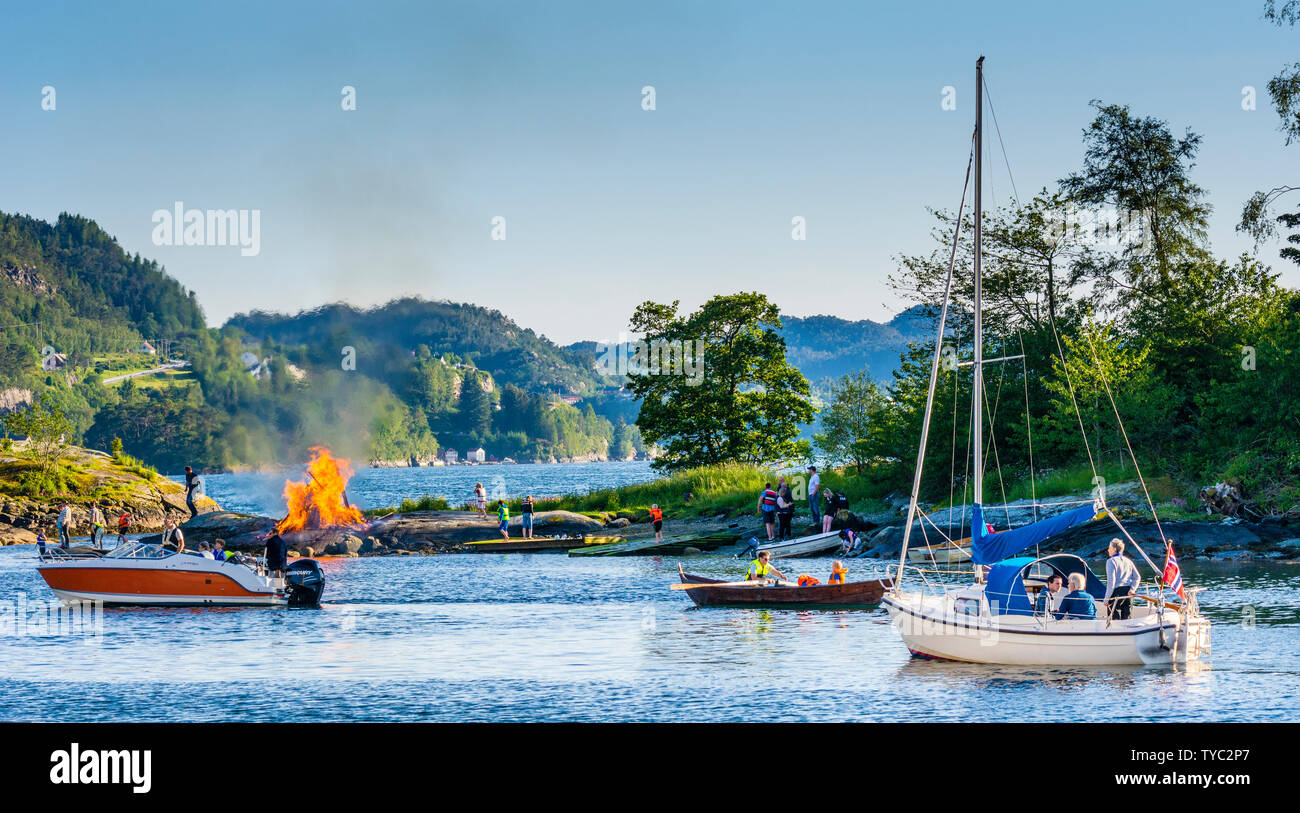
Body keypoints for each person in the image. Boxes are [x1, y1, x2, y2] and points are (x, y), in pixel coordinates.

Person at [1104, 538, 1141, 620]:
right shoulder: (1128, 561)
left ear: (1114, 549)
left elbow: (1111, 582)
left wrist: (1106, 599)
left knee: (1114, 620)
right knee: (1127, 619)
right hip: (1128, 593)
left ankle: (1115, 632)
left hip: (1117, 592)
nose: (1108, 549)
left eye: (1109, 547)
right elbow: (1137, 577)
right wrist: (1133, 590)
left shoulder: (1111, 561)